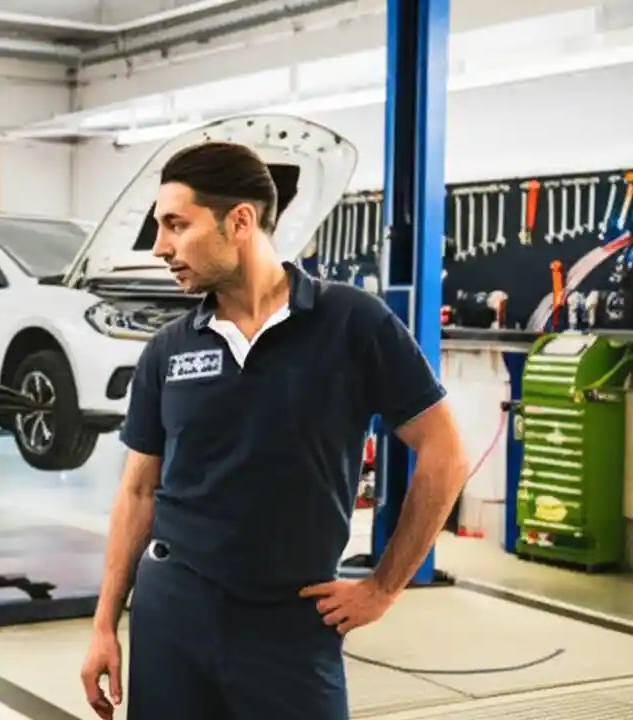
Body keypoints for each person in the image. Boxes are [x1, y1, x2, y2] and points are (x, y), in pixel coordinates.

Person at [79, 141, 468, 720]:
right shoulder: (168, 349)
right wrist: (105, 623)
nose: (159, 246)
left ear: (239, 221)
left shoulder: (351, 323)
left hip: (292, 619)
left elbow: (445, 454)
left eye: (175, 225)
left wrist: (384, 586)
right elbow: (138, 491)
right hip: (173, 612)